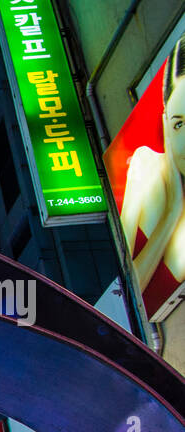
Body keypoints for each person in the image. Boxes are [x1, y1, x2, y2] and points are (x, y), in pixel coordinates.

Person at [120, 34, 185, 368]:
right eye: (179, 123)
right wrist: (172, 212)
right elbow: (130, 283)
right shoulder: (147, 167)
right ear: (164, 121)